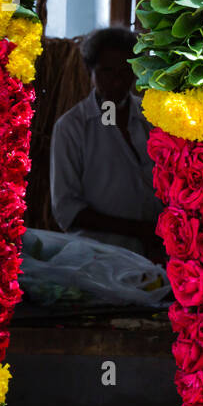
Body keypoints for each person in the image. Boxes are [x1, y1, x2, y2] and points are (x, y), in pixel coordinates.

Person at [50, 27, 162, 258]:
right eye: (106, 71)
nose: (117, 81)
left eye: (125, 71)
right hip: (96, 257)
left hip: (156, 255)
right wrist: (139, 230)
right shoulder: (73, 127)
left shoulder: (153, 117)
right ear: (89, 71)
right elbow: (67, 209)